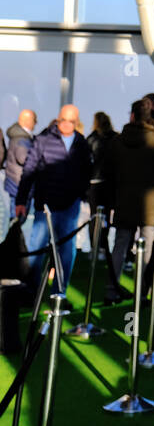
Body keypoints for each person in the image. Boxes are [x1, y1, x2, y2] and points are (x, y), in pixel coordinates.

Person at [102, 99, 154, 305]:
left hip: (124, 200)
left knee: (120, 244)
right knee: (147, 247)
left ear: (132, 115)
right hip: (151, 203)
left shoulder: (118, 141)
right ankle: (140, 291)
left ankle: (111, 289)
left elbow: (108, 171)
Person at [16, 105, 91, 299]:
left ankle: (59, 293)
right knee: (37, 249)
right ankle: (29, 290)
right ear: (58, 120)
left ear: (77, 122)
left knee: (66, 251)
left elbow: (87, 171)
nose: (67, 124)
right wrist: (22, 200)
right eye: (64, 120)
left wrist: (80, 193)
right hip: (45, 205)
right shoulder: (43, 140)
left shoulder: (81, 143)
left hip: (70, 206)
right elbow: (29, 170)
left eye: (72, 121)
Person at [85, 112, 116, 258]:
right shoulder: (116, 139)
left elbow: (86, 161)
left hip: (95, 182)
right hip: (110, 182)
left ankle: (95, 247)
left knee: (95, 216)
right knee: (106, 216)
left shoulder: (91, 139)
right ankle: (103, 246)